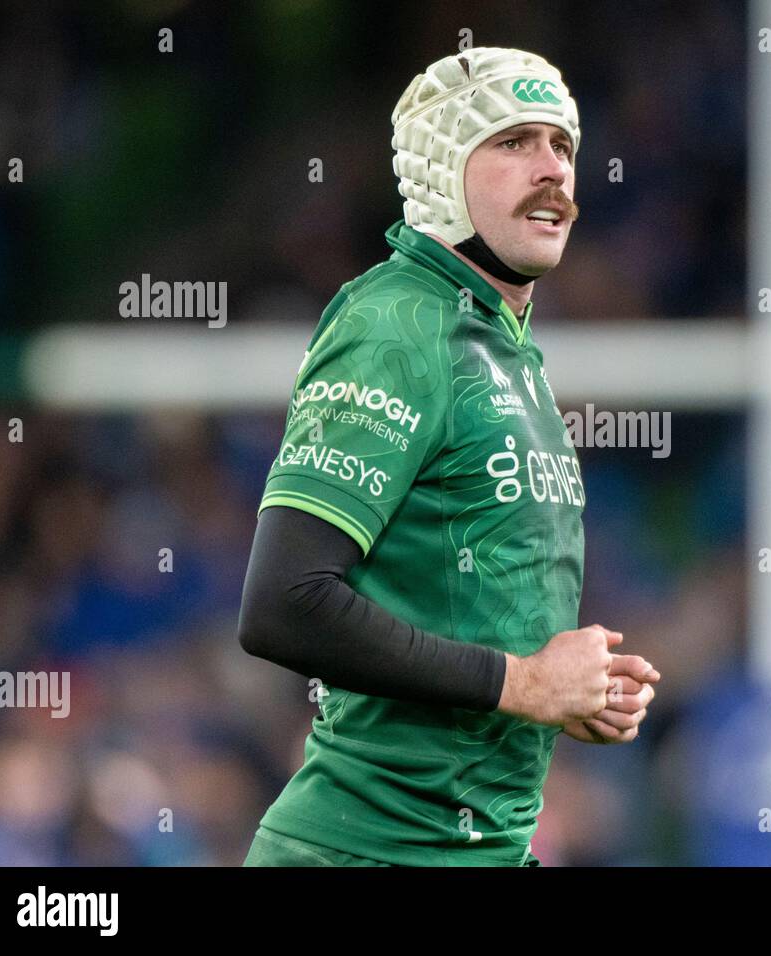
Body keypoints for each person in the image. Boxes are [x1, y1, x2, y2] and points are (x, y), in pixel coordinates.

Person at [237, 47, 659, 867]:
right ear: (440, 169)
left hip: (478, 850)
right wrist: (523, 684)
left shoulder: (506, 350)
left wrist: (557, 696)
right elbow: (283, 601)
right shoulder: (396, 324)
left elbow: (450, 607)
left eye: (563, 147)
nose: (553, 173)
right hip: (369, 852)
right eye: (513, 143)